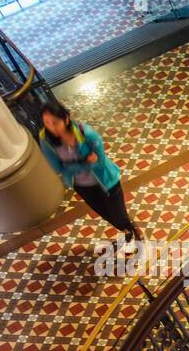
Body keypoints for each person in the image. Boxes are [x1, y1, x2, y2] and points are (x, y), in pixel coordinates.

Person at [38, 102, 144, 253]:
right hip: (82, 186)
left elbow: (99, 163)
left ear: (66, 119)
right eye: (47, 123)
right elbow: (58, 168)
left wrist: (72, 166)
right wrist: (84, 162)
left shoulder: (87, 134)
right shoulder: (45, 140)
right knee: (106, 214)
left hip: (106, 181)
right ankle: (129, 229)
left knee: (118, 214)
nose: (51, 128)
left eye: (55, 122)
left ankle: (133, 231)